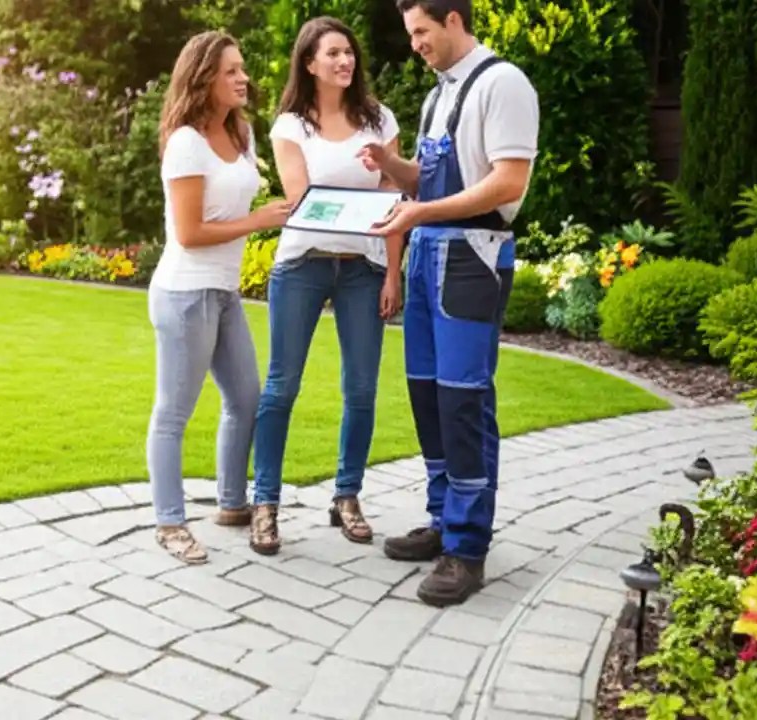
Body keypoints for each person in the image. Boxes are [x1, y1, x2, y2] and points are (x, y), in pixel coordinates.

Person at [361, 0, 539, 606]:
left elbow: (507, 183)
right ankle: (443, 518)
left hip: (472, 258)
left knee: (464, 400)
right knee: (428, 396)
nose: (414, 44)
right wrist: (391, 166)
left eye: (421, 31)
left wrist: (421, 212)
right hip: (429, 257)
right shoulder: (439, 95)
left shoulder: (503, 84)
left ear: (454, 20)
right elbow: (428, 178)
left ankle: (467, 548)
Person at [247, 17, 405, 556]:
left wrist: (391, 271)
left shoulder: (380, 121)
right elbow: (301, 201)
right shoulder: (291, 126)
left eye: (349, 52)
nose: (345, 61)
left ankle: (347, 496)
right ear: (309, 63)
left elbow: (395, 204)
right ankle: (264, 502)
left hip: (363, 269)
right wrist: (361, 199)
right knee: (281, 386)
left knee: (361, 390)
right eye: (332, 53)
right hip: (304, 263)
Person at [146, 30, 292, 565]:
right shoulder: (185, 142)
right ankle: (170, 523)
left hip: (225, 292)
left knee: (246, 397)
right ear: (204, 76)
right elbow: (189, 232)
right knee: (173, 413)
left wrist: (273, 208)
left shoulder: (242, 133)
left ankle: (232, 503)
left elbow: (236, 202)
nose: (243, 78)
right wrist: (258, 220)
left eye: (242, 68)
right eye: (231, 70)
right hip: (185, 293)